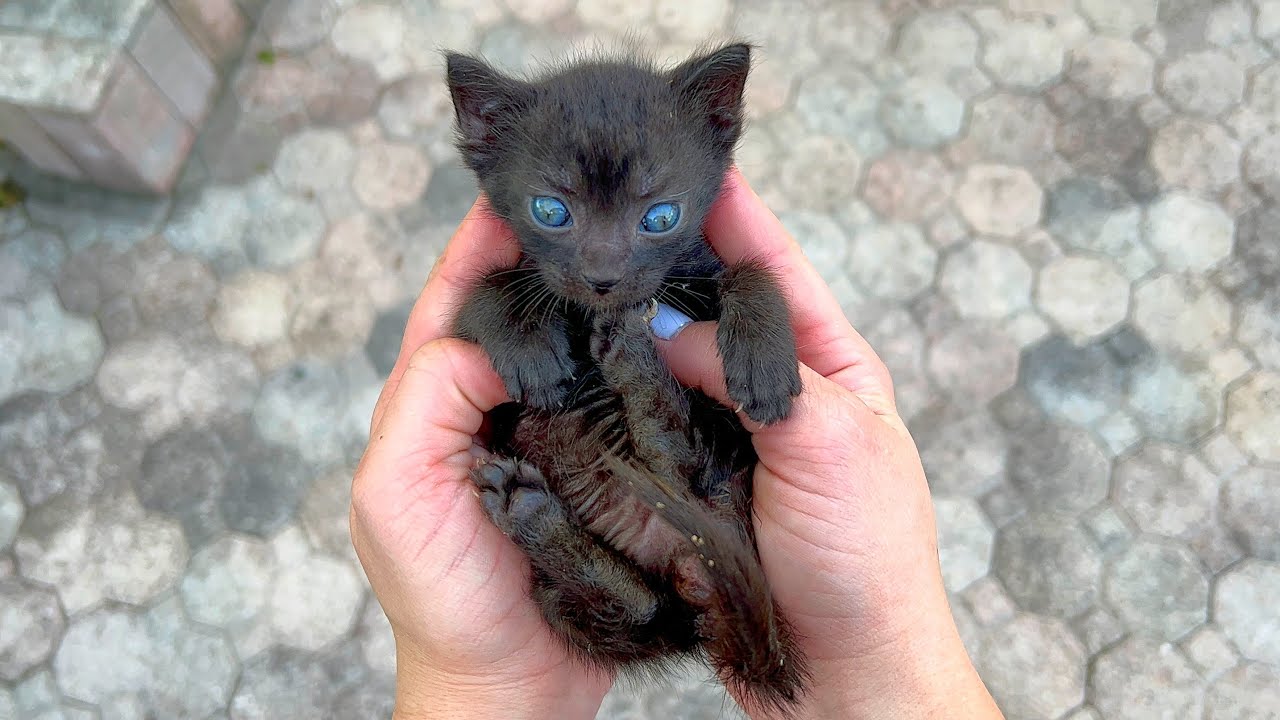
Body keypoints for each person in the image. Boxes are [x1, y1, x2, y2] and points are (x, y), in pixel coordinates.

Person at [350, 169, 1005, 719]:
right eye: (558, 211)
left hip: (650, 515)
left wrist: (475, 689)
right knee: (639, 569)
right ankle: (596, 544)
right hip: (641, 538)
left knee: (701, 455)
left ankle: (583, 540)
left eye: (652, 213)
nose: (604, 255)